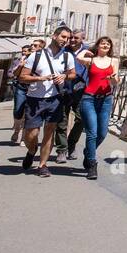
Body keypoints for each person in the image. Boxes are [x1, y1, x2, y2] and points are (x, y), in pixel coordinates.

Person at [17, 26, 77, 178]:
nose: (66, 40)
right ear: (54, 36)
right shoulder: (36, 56)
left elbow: (73, 74)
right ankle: (31, 151)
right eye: (63, 37)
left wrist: (64, 77)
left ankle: (42, 165)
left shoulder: (67, 57)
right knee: (31, 134)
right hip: (34, 99)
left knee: (49, 132)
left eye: (68, 38)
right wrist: (40, 78)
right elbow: (22, 77)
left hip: (55, 99)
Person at [74, 36, 117, 179]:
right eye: (103, 43)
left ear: (110, 47)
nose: (105, 46)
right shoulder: (91, 61)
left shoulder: (114, 61)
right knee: (92, 132)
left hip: (106, 99)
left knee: (102, 133)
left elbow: (116, 81)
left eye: (108, 44)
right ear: (98, 46)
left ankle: (88, 152)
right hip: (89, 98)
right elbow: (78, 58)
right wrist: (86, 51)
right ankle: (92, 164)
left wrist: (113, 79)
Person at [53, 30, 90, 164]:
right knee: (61, 121)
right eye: (71, 37)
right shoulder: (63, 50)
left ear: (83, 38)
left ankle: (71, 143)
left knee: (81, 119)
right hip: (64, 90)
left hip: (81, 91)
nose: (72, 40)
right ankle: (62, 150)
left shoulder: (88, 51)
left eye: (76, 38)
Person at [7, 40, 43, 145]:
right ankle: (17, 130)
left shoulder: (40, 61)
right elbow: (14, 74)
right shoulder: (20, 60)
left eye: (34, 47)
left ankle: (23, 137)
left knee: (28, 113)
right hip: (21, 87)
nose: (24, 53)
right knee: (18, 110)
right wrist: (20, 66)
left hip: (33, 88)